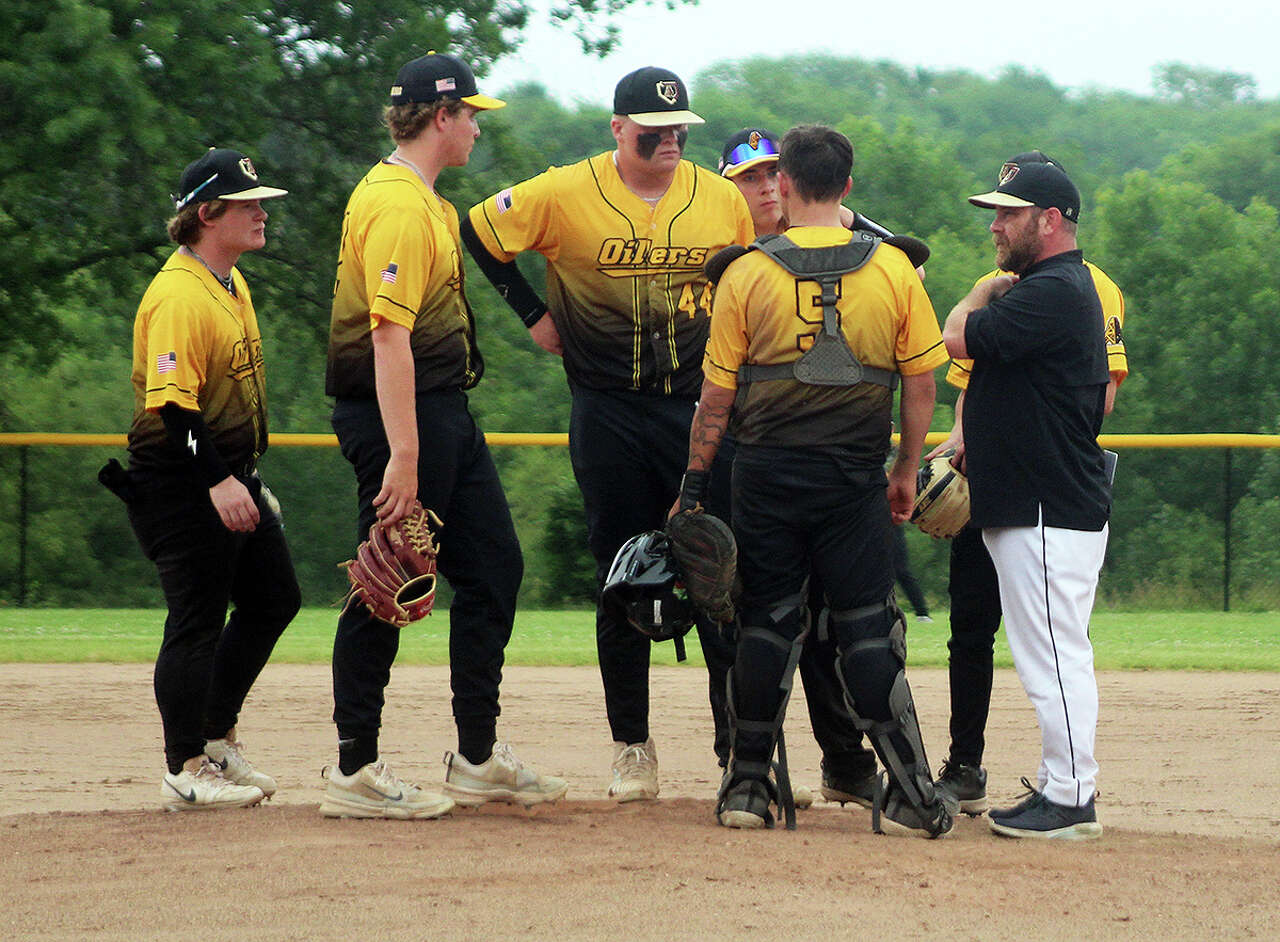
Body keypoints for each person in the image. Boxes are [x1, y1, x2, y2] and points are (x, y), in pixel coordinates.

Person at [462, 67, 754, 801]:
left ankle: (736, 749)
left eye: (680, 126)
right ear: (618, 128)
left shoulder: (720, 199)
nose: (670, 138)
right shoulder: (563, 190)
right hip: (606, 409)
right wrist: (530, 311)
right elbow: (477, 227)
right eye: (654, 128)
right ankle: (632, 748)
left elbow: (748, 284)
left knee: (717, 571)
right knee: (621, 575)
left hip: (695, 407)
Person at [675, 124, 952, 835]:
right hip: (854, 476)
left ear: (788, 186)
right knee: (865, 628)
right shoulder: (892, 269)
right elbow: (922, 383)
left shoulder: (744, 274)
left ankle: (745, 787)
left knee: (766, 621)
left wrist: (694, 485)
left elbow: (717, 399)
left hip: (767, 473)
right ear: (848, 188)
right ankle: (915, 795)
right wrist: (902, 469)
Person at [322, 51, 566, 820]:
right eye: (470, 115)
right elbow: (388, 337)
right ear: (439, 117)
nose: (475, 129)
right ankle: (355, 770)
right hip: (401, 415)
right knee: (391, 576)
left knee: (493, 569)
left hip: (440, 413)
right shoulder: (396, 203)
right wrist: (403, 454)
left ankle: (478, 757)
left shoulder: (423, 198)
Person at [931, 152, 1127, 819]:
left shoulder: (1051, 291)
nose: (996, 228)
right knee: (1049, 649)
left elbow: (954, 334)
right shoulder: (1059, 289)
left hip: (1046, 504)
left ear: (1048, 221)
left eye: (1008, 215)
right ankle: (1058, 780)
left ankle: (1071, 799)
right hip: (1040, 500)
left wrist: (984, 290)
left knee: (1052, 657)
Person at [103, 147, 300, 811]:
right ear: (208, 213)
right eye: (248, 203)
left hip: (228, 474)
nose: (261, 212)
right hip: (181, 482)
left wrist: (242, 475)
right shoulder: (178, 296)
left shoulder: (230, 282)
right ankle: (185, 766)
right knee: (196, 622)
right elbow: (173, 405)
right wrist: (219, 481)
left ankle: (215, 737)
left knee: (274, 598)